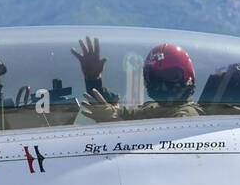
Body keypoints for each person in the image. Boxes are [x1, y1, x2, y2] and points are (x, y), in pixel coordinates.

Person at [71, 36, 200, 122]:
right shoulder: (154, 109)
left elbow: (155, 150)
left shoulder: (186, 117)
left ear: (187, 77)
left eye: (170, 76)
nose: (162, 85)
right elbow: (111, 111)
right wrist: (93, 79)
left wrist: (112, 120)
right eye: (154, 78)